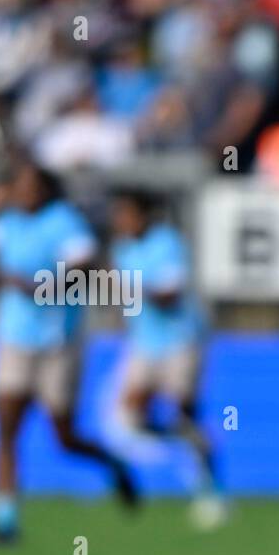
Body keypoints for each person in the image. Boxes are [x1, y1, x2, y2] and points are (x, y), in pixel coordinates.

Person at [0, 160, 138, 544]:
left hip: (57, 343)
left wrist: (36, 286)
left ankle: (112, 464)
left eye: (31, 186)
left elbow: (83, 266)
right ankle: (4, 520)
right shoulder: (7, 222)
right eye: (19, 185)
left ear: (45, 189)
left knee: (63, 436)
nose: (25, 193)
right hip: (13, 338)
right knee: (7, 431)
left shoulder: (63, 221)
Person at [109, 189, 221, 528]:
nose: (121, 222)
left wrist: (134, 288)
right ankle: (192, 443)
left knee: (184, 411)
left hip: (179, 342)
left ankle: (208, 491)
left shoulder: (167, 244)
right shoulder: (123, 250)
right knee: (131, 416)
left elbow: (170, 296)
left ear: (143, 215)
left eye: (126, 214)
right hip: (145, 344)